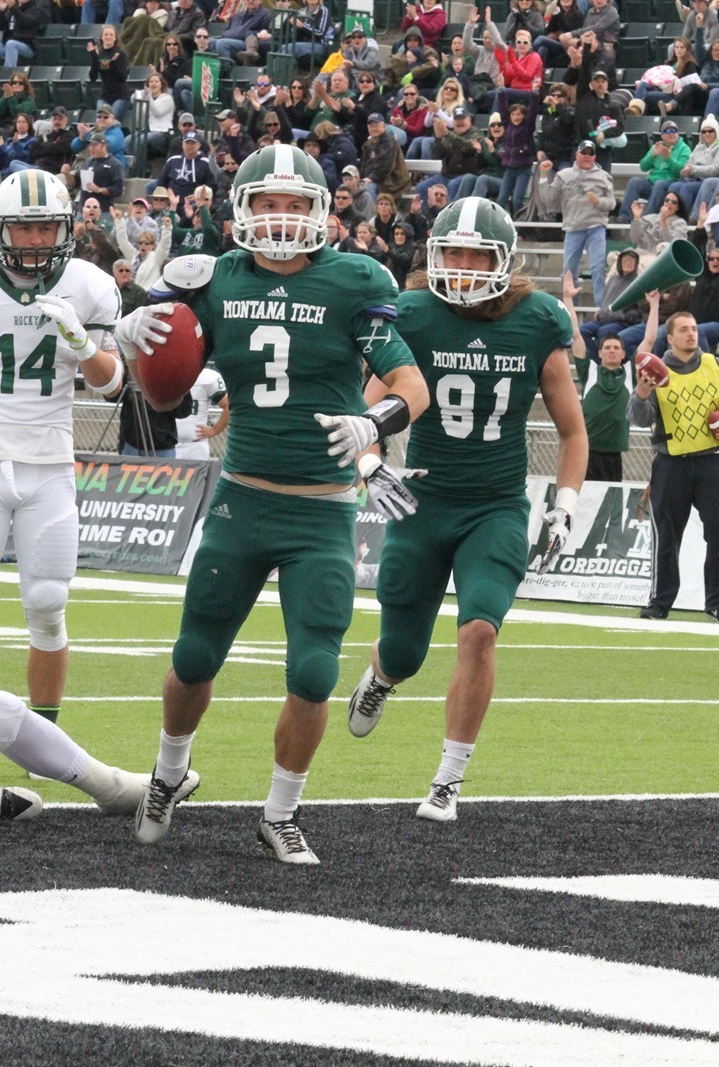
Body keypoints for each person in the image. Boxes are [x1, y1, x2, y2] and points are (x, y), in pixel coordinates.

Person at [115, 144, 430, 863]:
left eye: (295, 205)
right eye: (267, 203)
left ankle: (280, 813)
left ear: (320, 212)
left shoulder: (351, 280)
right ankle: (168, 773)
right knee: (194, 655)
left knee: (315, 672)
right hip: (242, 501)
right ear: (242, 209)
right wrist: (137, 340)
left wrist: (373, 424)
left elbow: (412, 386)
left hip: (322, 509)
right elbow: (163, 397)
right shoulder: (213, 280)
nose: (281, 218)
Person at [346, 198, 585, 822]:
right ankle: (381, 676)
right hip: (422, 503)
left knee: (480, 630)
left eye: (477, 255)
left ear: (504, 261)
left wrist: (564, 504)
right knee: (404, 653)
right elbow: (366, 414)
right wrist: (370, 464)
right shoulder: (414, 314)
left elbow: (573, 431)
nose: (463, 265)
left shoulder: (538, 320)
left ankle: (447, 781)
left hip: (495, 506)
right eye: (452, 252)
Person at [0, 171, 126, 725]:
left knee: (47, 603)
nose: (37, 240)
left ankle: (44, 737)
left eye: (46, 228)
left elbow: (112, 385)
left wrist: (82, 343)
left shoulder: (89, 285)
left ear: (66, 229)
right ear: (1, 230)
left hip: (51, 463)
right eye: (24, 228)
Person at [627, 291, 719, 622]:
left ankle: (718, 603)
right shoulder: (657, 374)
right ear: (670, 338)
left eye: (694, 329)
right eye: (684, 330)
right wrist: (641, 394)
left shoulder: (718, 366)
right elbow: (638, 419)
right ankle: (660, 602)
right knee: (666, 537)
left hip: (714, 462)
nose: (691, 334)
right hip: (670, 464)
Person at [565, 272, 631, 481]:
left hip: (613, 455)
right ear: (599, 352)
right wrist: (568, 299)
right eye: (607, 347)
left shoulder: (630, 373)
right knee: (583, 498)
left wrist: (654, 305)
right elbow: (575, 333)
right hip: (587, 451)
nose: (612, 351)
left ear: (623, 353)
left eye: (616, 348)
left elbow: (649, 340)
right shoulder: (590, 370)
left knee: (610, 501)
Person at [536, 141, 615, 307]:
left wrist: (598, 201)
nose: (587, 156)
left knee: (598, 268)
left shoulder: (604, 176)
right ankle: (573, 308)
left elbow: (612, 203)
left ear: (595, 157)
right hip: (572, 228)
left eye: (590, 153)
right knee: (568, 272)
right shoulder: (563, 175)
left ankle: (601, 310)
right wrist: (543, 175)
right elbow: (547, 199)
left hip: (596, 227)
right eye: (584, 153)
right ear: (577, 155)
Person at [173, 365, 227, 460]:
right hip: (168, 444)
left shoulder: (206, 377)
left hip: (195, 446)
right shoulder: (167, 374)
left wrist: (215, 430)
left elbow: (228, 406)